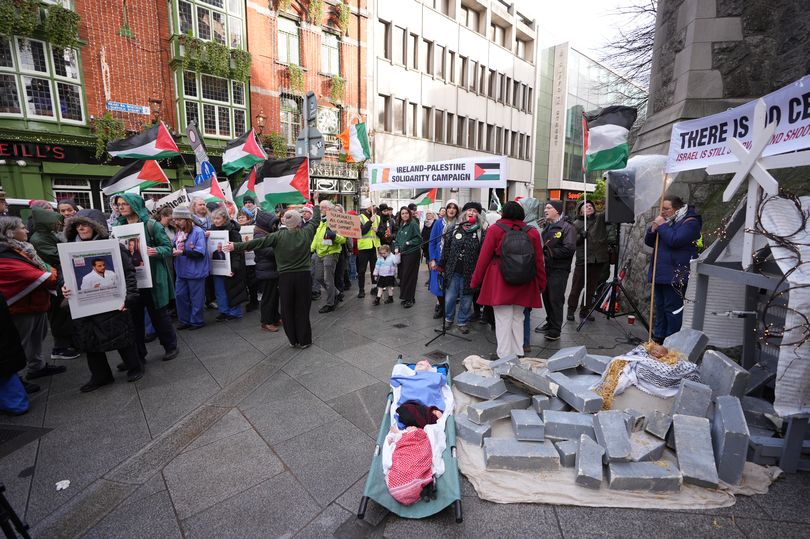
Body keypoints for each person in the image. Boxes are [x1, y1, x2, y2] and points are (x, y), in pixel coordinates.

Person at [62, 209, 144, 391]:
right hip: (85, 305)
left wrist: (130, 297)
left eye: (85, 224)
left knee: (122, 337)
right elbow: (64, 275)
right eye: (77, 225)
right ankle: (101, 376)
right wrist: (64, 287)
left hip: (113, 302)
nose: (81, 228)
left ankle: (134, 366)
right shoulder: (69, 248)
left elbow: (129, 272)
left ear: (95, 226)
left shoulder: (112, 245)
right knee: (90, 342)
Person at [227, 193, 321, 348]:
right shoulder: (306, 232)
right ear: (299, 222)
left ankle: (293, 340)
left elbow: (256, 243)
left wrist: (235, 246)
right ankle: (304, 340)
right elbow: (316, 220)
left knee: (287, 308)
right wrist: (315, 202)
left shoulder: (277, 236)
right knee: (302, 308)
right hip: (303, 276)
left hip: (284, 277)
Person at [471, 201, 547, 360]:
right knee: (519, 317)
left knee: (503, 319)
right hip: (525, 280)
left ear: (503, 213)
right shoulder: (532, 232)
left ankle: (504, 356)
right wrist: (541, 283)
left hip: (500, 279)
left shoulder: (495, 230)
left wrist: (475, 282)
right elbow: (539, 261)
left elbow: (483, 259)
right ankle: (518, 352)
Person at [0, 216, 66, 381]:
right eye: (22, 228)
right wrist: (50, 272)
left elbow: (44, 267)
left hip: (35, 303)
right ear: (10, 233)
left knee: (37, 338)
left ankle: (37, 366)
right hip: (21, 307)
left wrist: (49, 271)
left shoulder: (22, 248)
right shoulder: (5, 254)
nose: (27, 230)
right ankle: (19, 379)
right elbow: (45, 275)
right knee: (22, 342)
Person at [114, 193, 178, 362]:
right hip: (132, 282)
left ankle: (171, 346)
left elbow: (168, 247)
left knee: (159, 317)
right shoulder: (117, 227)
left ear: (135, 204)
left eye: (124, 204)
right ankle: (139, 354)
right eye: (119, 204)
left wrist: (156, 251)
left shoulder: (151, 225)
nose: (121, 207)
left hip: (153, 280)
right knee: (134, 321)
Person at [644, 195, 702, 343]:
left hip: (676, 273)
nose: (663, 212)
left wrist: (662, 225)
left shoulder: (691, 222)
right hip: (660, 272)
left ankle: (672, 341)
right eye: (661, 209)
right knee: (661, 307)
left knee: (673, 309)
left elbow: (675, 240)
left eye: (666, 209)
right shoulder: (667, 222)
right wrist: (653, 229)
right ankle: (659, 337)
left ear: (677, 209)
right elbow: (650, 242)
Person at [28, 205, 79, 360]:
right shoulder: (39, 239)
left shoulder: (46, 235)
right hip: (53, 280)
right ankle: (60, 348)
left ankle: (69, 342)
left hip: (57, 276)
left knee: (63, 313)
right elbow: (58, 255)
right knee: (58, 313)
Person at [438, 202, 484, 334]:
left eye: (474, 211)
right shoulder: (455, 227)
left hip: (470, 272)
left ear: (478, 215)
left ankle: (462, 321)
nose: (471, 213)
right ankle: (448, 319)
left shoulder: (480, 230)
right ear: (464, 213)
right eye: (469, 210)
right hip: (453, 270)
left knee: (466, 298)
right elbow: (446, 248)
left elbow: (482, 253)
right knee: (450, 297)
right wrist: (442, 265)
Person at [567, 199, 613, 322]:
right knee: (577, 286)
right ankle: (571, 309)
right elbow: (573, 242)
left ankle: (585, 310)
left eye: (590, 205)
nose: (588, 207)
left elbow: (608, 212)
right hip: (584, 259)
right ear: (580, 211)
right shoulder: (576, 224)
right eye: (585, 206)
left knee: (591, 287)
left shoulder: (599, 219)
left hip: (598, 259)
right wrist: (581, 236)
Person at [538, 200, 576, 341]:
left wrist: (550, 253)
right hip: (546, 268)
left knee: (556, 299)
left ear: (558, 211)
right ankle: (550, 322)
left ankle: (556, 329)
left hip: (559, 269)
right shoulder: (547, 227)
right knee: (546, 298)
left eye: (549, 207)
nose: (545, 210)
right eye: (545, 207)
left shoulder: (567, 228)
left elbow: (569, 248)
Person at [171, 205, 208, 330]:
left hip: (195, 272)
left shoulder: (198, 232)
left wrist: (182, 252)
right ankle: (184, 320)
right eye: (175, 219)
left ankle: (197, 321)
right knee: (180, 296)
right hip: (181, 271)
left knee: (196, 298)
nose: (176, 222)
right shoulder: (179, 233)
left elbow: (200, 252)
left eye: (179, 219)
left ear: (187, 219)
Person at [210, 208, 248, 321]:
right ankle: (224, 311)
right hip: (218, 266)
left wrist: (234, 267)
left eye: (218, 218)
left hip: (232, 265)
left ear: (225, 219)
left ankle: (235, 312)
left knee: (233, 289)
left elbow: (238, 251)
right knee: (220, 289)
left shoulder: (233, 232)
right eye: (214, 219)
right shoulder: (211, 231)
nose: (215, 221)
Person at [311, 200, 346, 314]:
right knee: (319, 277)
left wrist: (334, 236)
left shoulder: (337, 221)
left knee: (328, 279)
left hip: (331, 252)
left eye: (324, 207)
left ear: (330, 209)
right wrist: (311, 249)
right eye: (320, 207)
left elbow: (343, 239)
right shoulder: (322, 221)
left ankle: (330, 303)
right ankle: (336, 293)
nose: (321, 209)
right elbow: (317, 237)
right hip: (320, 253)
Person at [518, 198, 543, 354]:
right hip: (526, 275)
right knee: (523, 312)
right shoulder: (531, 227)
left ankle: (524, 343)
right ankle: (523, 343)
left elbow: (538, 258)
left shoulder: (531, 229)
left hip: (525, 275)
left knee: (524, 313)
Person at [428, 200, 459, 319]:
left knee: (450, 286)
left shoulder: (459, 224)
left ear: (457, 210)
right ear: (446, 210)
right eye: (449, 207)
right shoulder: (438, 223)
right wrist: (432, 259)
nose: (451, 210)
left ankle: (448, 309)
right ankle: (441, 306)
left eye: (454, 208)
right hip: (438, 257)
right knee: (437, 286)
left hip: (453, 259)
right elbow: (432, 242)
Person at [254, 210, 281, 332]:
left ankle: (275, 317)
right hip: (266, 271)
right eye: (273, 224)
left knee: (274, 297)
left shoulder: (267, 234)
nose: (275, 226)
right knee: (268, 298)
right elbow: (267, 252)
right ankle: (266, 322)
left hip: (272, 270)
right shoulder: (259, 236)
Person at [394, 206, 421, 308]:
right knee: (403, 276)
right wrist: (396, 247)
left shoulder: (413, 224)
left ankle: (410, 299)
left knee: (409, 276)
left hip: (412, 253)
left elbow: (419, 239)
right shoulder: (402, 224)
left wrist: (409, 242)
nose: (404, 215)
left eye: (406, 213)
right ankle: (406, 297)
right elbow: (397, 239)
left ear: (409, 214)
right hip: (402, 254)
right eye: (402, 213)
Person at [356, 198, 380, 298]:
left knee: (374, 269)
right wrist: (370, 222)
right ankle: (361, 290)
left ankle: (374, 287)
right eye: (372, 206)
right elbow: (362, 231)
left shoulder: (377, 217)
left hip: (374, 246)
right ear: (367, 207)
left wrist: (378, 230)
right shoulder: (359, 218)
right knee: (361, 270)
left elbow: (381, 231)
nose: (374, 208)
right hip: (363, 248)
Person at [236, 208, 260, 312]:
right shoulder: (236, 229)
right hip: (242, 260)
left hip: (252, 259)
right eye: (239, 217)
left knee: (252, 281)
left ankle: (254, 301)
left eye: (242, 217)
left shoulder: (253, 228)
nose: (240, 219)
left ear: (248, 218)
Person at [420, 210, 436, 283]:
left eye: (430, 213)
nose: (428, 215)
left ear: (433, 215)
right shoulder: (425, 223)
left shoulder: (436, 223)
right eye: (427, 213)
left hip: (433, 246)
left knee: (432, 263)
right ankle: (430, 278)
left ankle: (433, 279)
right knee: (428, 263)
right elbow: (423, 234)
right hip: (426, 247)